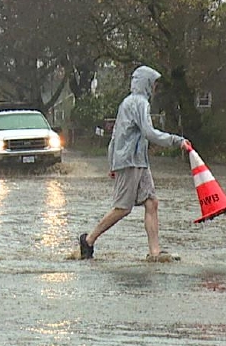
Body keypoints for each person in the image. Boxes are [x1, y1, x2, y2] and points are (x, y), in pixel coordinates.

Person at [79, 65, 191, 262]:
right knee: (123, 208)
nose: (155, 88)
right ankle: (88, 240)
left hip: (138, 161)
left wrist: (111, 161)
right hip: (129, 160)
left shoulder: (127, 103)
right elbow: (149, 132)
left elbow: (115, 135)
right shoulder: (140, 103)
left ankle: (155, 253)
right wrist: (177, 141)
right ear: (146, 83)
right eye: (153, 84)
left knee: (152, 202)